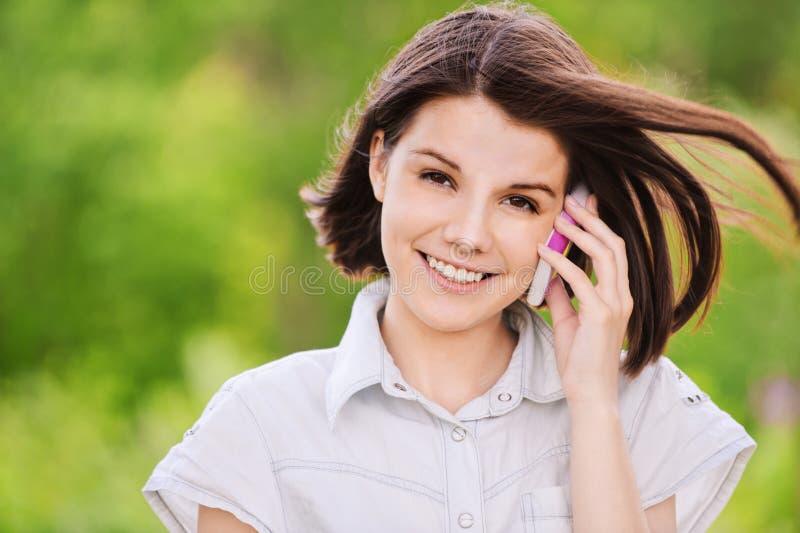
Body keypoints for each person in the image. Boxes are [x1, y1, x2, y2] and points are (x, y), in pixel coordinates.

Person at [142, 1, 800, 532]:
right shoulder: (259, 428)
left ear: (570, 218)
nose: (467, 234)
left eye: (519, 200)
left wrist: (594, 405)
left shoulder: (641, 406)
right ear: (381, 165)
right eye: (439, 177)